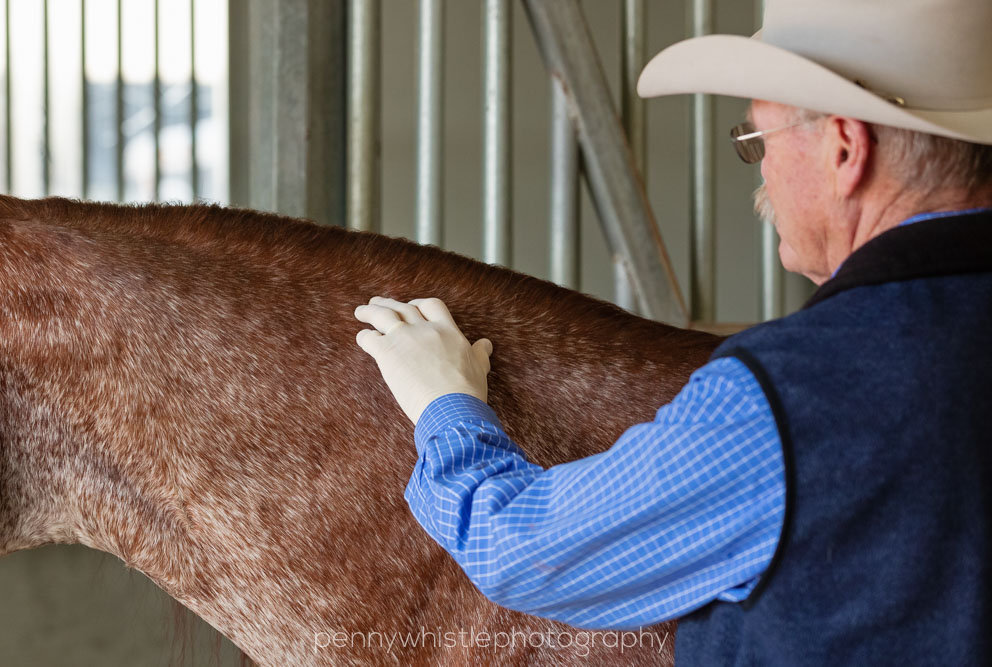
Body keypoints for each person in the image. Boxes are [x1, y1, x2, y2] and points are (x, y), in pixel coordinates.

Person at [354, 0, 992, 663]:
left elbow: (523, 548)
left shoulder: (786, 400)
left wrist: (443, 405)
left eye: (758, 142)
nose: (763, 176)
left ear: (844, 147)